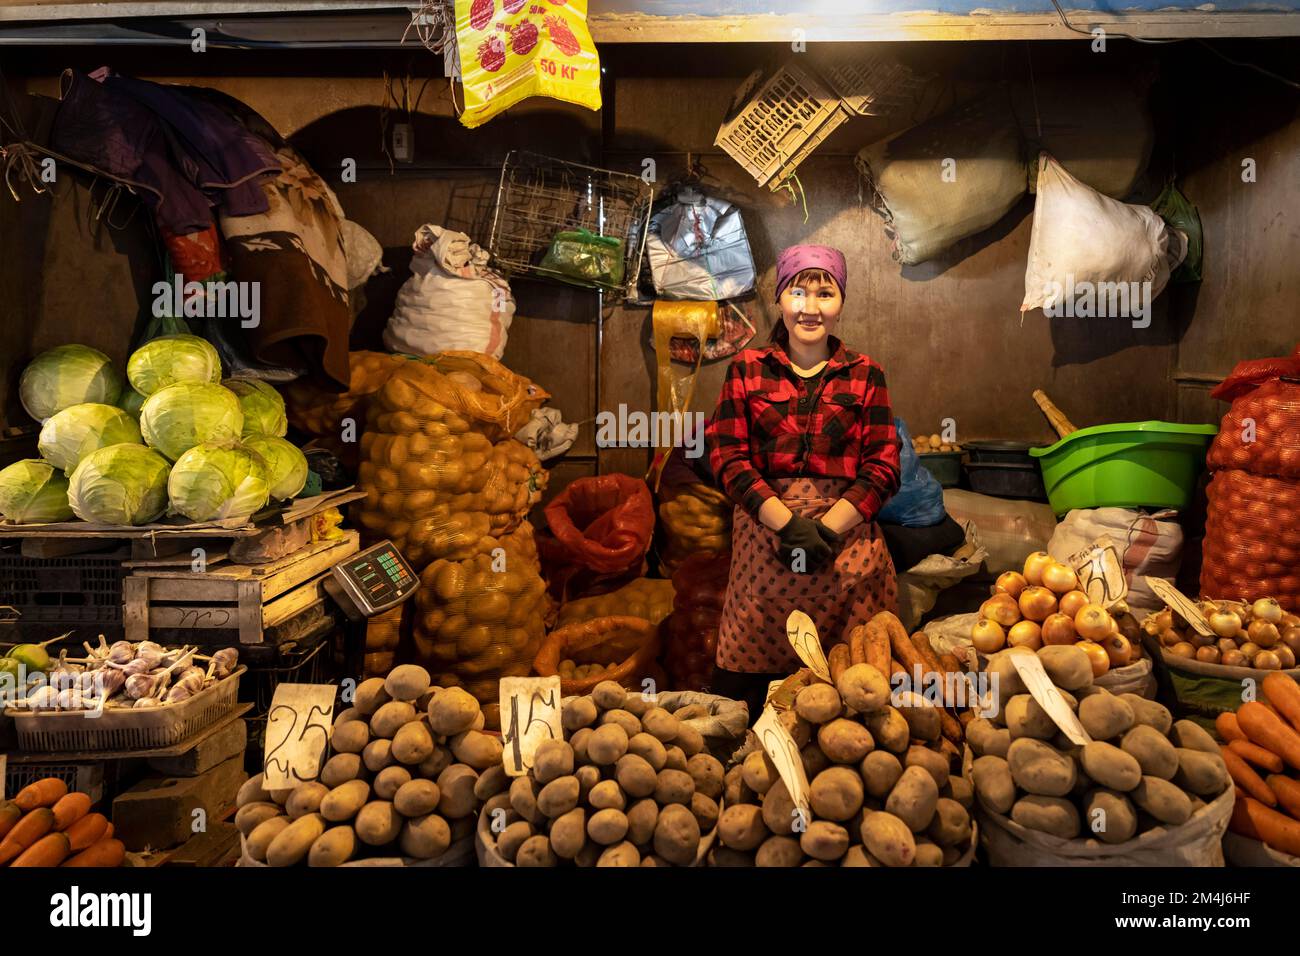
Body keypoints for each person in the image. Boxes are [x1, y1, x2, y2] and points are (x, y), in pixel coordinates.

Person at [704, 244, 902, 720]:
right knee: (748, 694)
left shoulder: (866, 374)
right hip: (764, 545)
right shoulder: (747, 370)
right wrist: (787, 526)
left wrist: (827, 531)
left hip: (847, 553)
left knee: (853, 685)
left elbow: (883, 466)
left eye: (824, 293)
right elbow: (727, 457)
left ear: (840, 302)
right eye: (798, 291)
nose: (810, 307)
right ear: (780, 299)